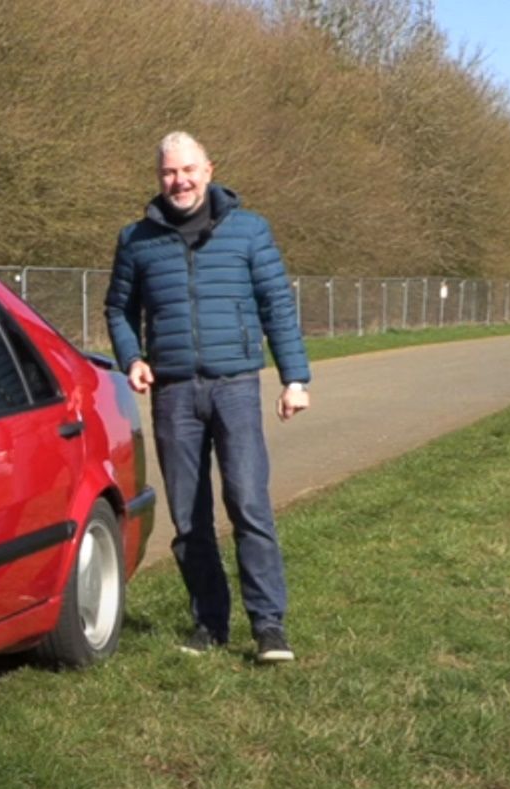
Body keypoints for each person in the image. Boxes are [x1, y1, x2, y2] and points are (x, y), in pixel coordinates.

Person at [104, 131, 311, 663]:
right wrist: (133, 358)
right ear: (159, 178)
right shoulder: (137, 239)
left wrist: (295, 378)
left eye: (188, 170)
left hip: (236, 387)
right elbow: (118, 309)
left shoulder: (249, 230)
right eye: (170, 173)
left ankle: (269, 627)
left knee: (248, 503)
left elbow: (276, 307)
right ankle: (209, 624)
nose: (180, 181)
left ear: (209, 170)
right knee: (188, 517)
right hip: (173, 393)